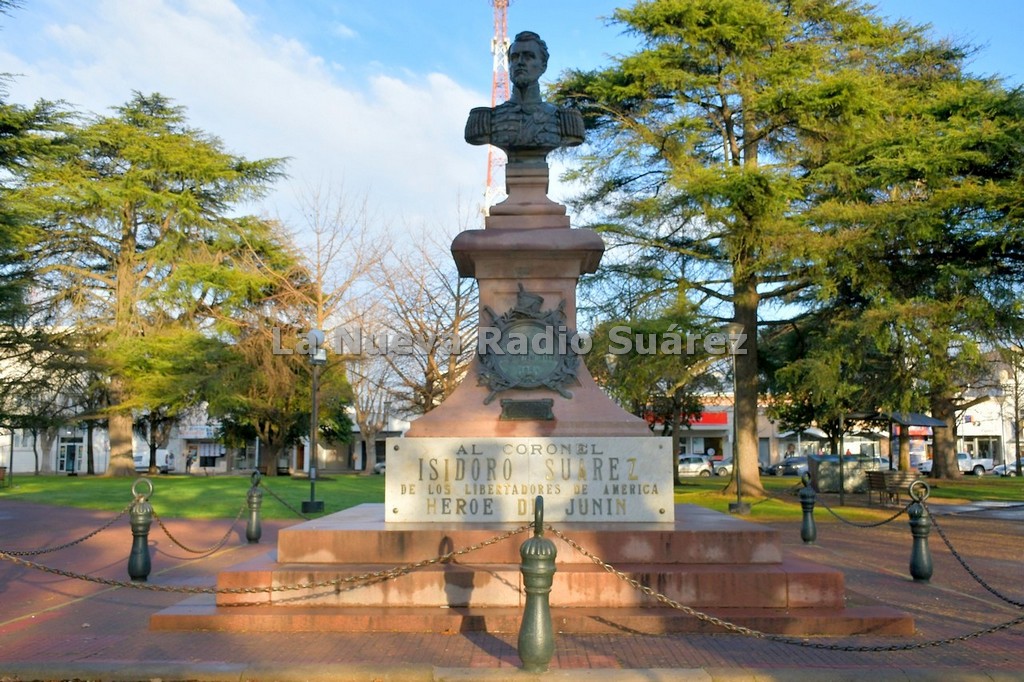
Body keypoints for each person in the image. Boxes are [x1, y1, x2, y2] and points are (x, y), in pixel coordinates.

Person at [465, 31, 584, 155]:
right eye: (514, 57)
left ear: (543, 66)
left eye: (528, 57)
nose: (520, 62)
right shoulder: (486, 119)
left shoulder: (564, 120)